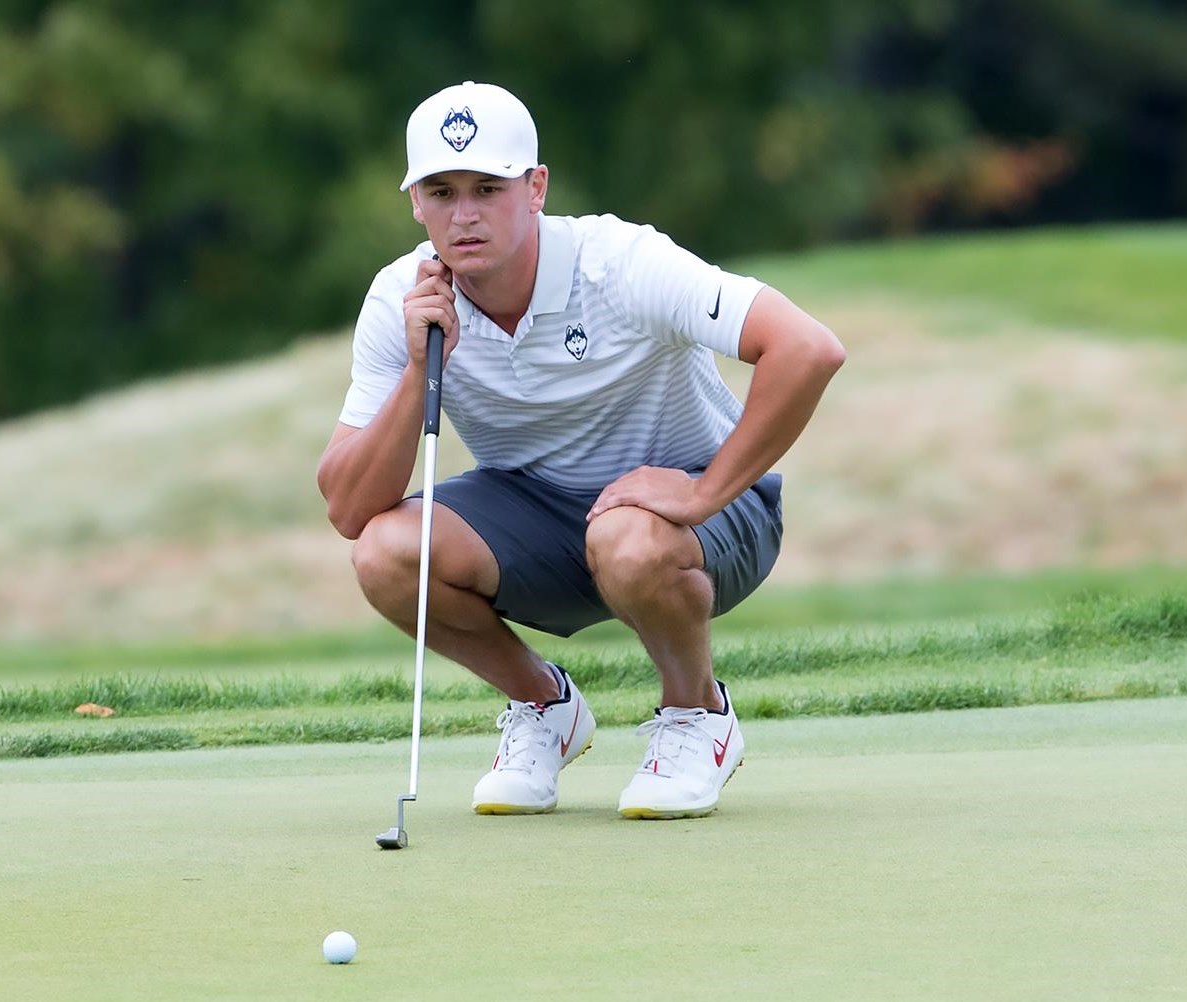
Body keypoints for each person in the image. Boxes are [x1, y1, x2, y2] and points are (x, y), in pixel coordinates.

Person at [317, 81, 846, 820]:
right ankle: (545, 709)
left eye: (487, 188)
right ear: (414, 202)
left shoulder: (620, 261)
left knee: (628, 540)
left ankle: (697, 717)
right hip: (540, 516)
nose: (463, 214)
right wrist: (418, 370)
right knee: (385, 552)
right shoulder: (401, 298)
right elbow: (348, 506)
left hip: (704, 515)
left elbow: (807, 348)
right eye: (440, 191)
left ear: (534, 188)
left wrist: (702, 494)